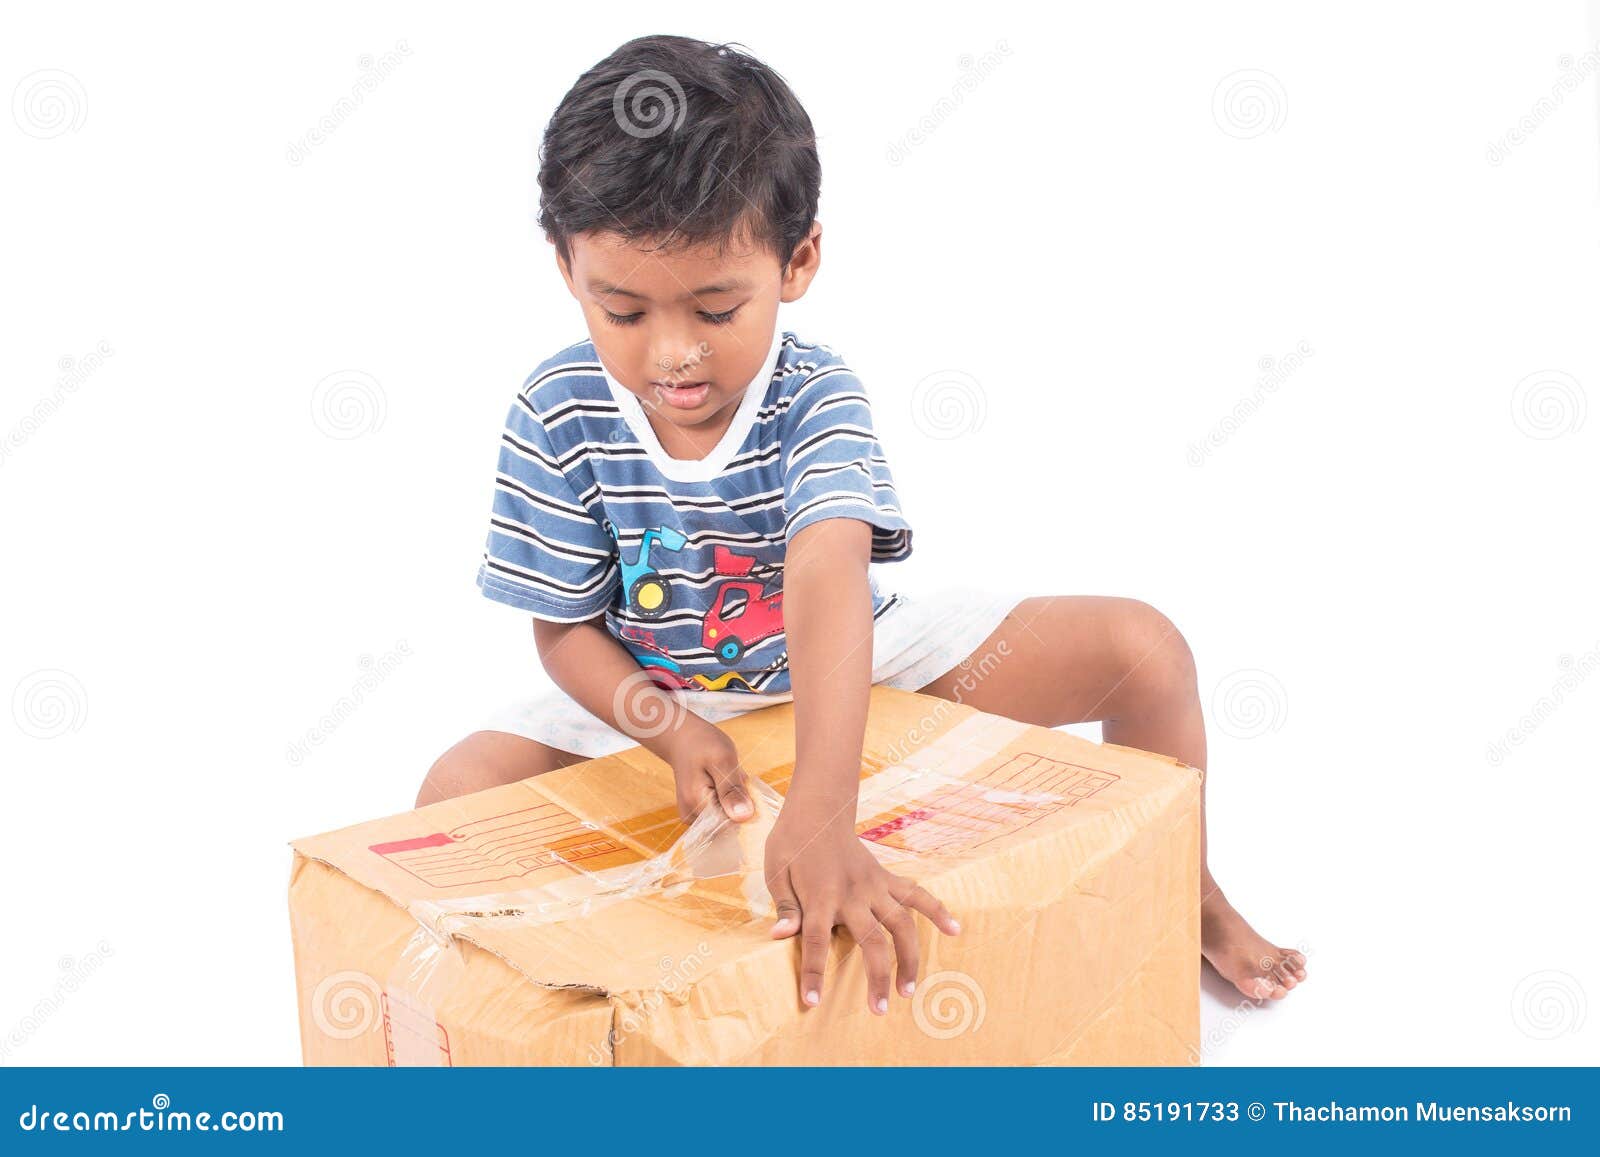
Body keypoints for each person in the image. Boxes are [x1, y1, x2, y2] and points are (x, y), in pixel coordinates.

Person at [418, 34, 1306, 1012]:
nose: (672, 354)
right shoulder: (556, 407)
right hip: (655, 705)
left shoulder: (815, 394)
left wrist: (824, 806)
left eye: (715, 308)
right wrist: (666, 729)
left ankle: (1188, 884)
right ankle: (616, 984)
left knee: (1142, 648)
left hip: (857, 666)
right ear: (565, 267)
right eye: (622, 310)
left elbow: (825, 571)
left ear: (797, 261)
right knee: (455, 788)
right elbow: (564, 628)